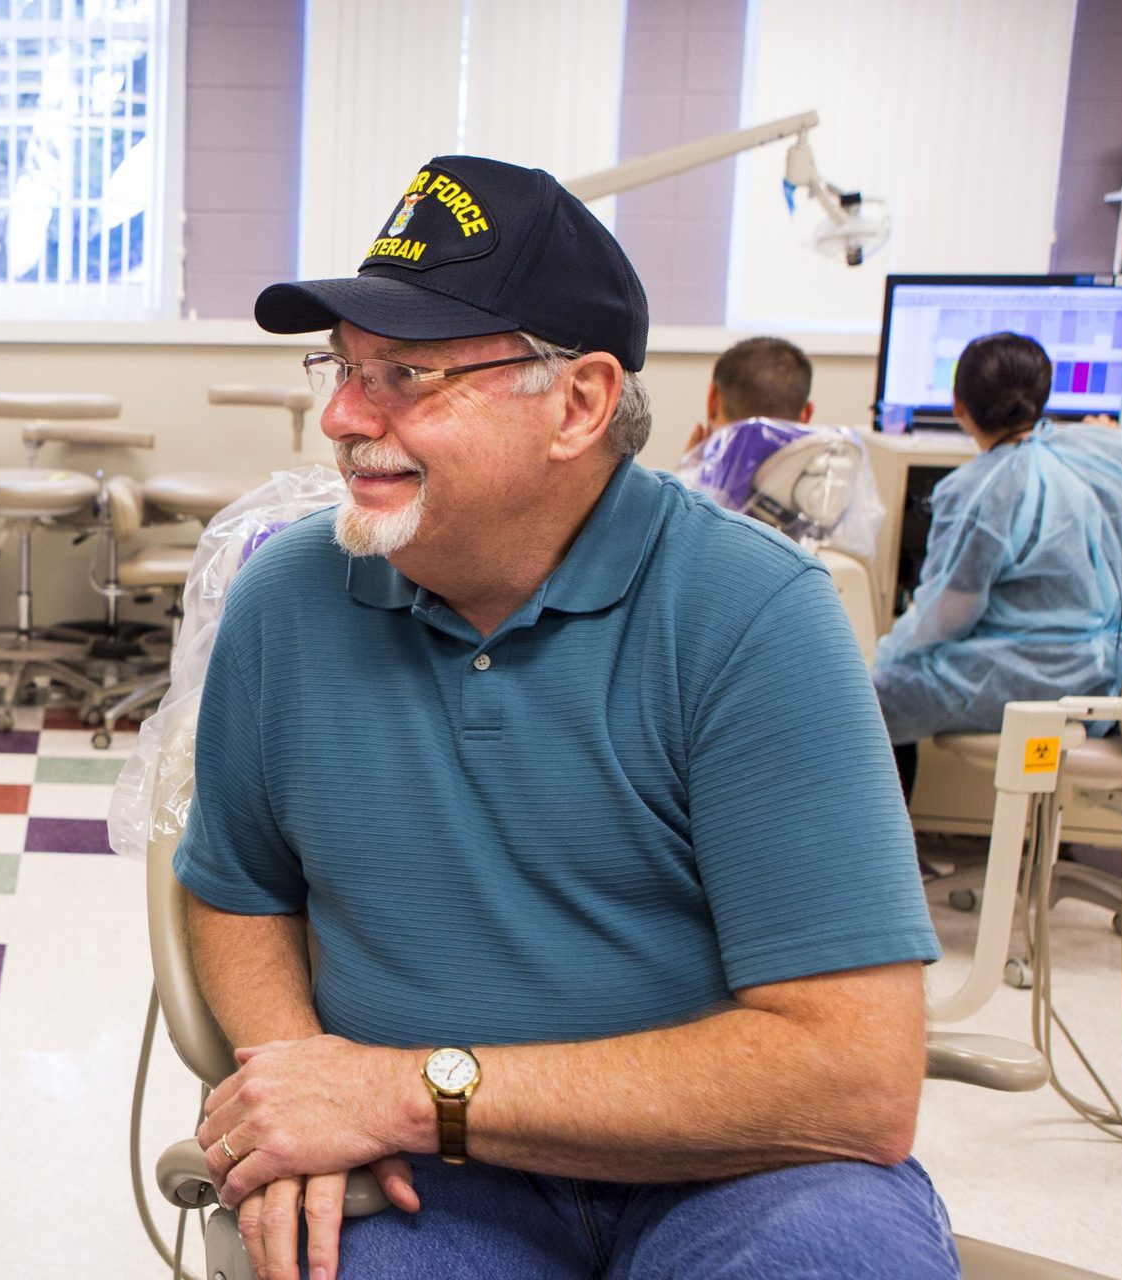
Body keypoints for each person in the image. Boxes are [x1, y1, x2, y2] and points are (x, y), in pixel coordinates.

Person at [173, 156, 952, 1280]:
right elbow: (236, 886)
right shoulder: (288, 600)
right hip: (421, 1184)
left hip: (739, 1172)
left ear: (577, 404)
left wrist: (407, 1087)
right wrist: (294, 1069)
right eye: (342, 366)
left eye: (406, 373)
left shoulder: (752, 616)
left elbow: (856, 1081)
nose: (343, 415)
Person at [873, 332, 1122, 783]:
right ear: (1043, 396)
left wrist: (883, 654)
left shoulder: (976, 490)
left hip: (1024, 679)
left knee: (864, 700)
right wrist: (1118, 439)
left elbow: (945, 616)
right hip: (1109, 674)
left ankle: (885, 846)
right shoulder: (1100, 452)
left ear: (957, 404)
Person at [683, 334, 815, 454]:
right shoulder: (830, 474)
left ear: (713, 402)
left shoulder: (689, 478)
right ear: (806, 414)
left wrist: (686, 472)